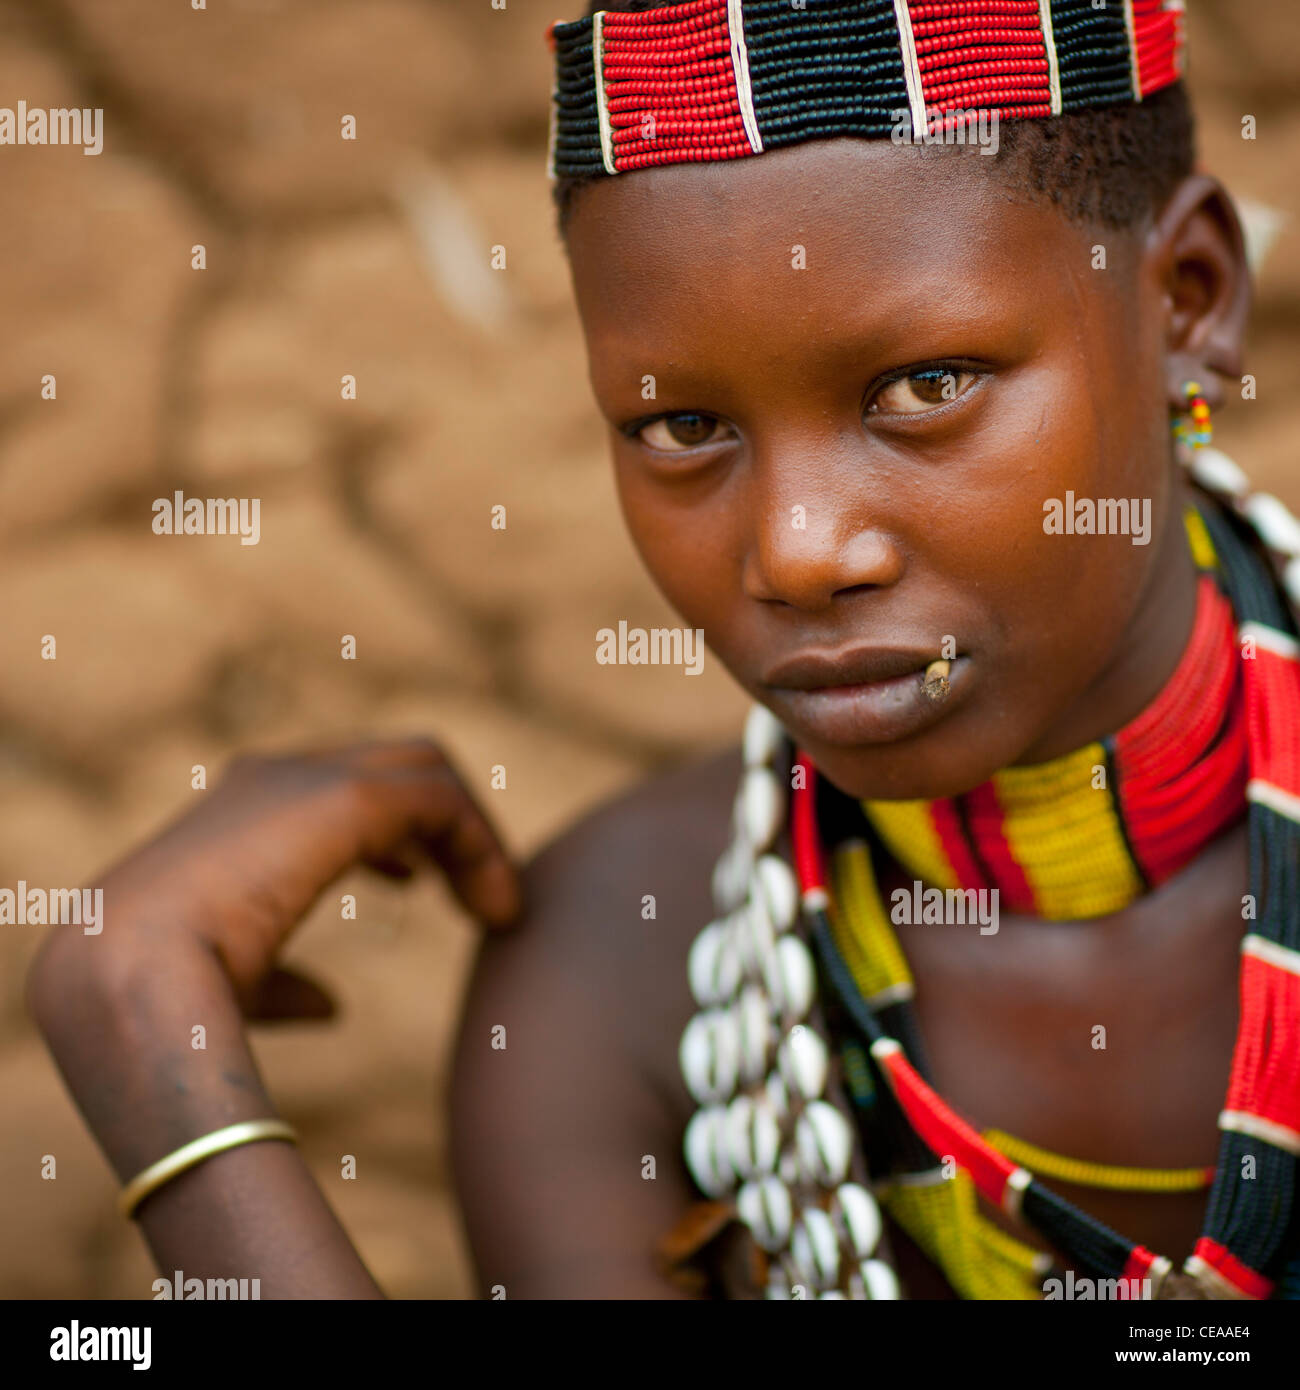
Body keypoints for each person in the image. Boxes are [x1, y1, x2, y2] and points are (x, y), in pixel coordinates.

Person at [28, 0, 1300, 1301]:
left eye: (926, 385)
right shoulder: (617, 970)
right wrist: (163, 1072)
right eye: (682, 424)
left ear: (1189, 301)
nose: (797, 552)